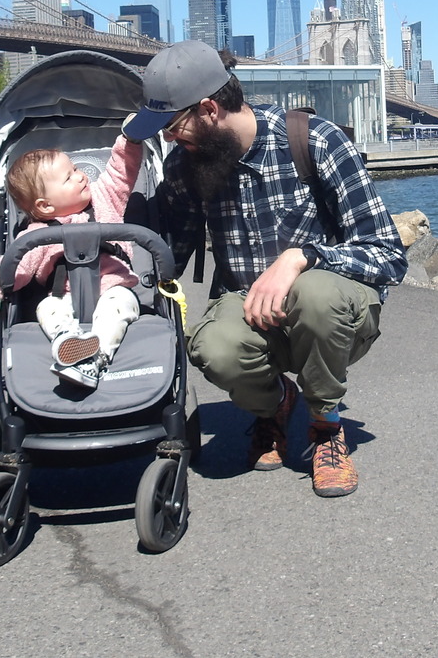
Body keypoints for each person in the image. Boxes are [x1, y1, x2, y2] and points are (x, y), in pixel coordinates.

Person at [123, 41, 406, 498]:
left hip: (333, 318)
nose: (170, 140)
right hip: (249, 311)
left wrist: (301, 258)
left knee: (315, 293)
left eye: (173, 128)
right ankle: (276, 404)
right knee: (213, 345)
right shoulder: (187, 164)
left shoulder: (315, 140)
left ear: (210, 109)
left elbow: (389, 254)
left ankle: (326, 428)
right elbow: (166, 254)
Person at [0, 135, 144, 389]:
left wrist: (129, 142)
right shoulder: (35, 235)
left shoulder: (104, 199)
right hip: (65, 298)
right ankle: (66, 338)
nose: (80, 176)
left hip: (113, 288)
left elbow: (121, 171)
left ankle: (94, 358)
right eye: (69, 177)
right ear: (44, 206)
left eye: (76, 169)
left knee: (117, 308)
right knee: (46, 308)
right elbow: (14, 266)